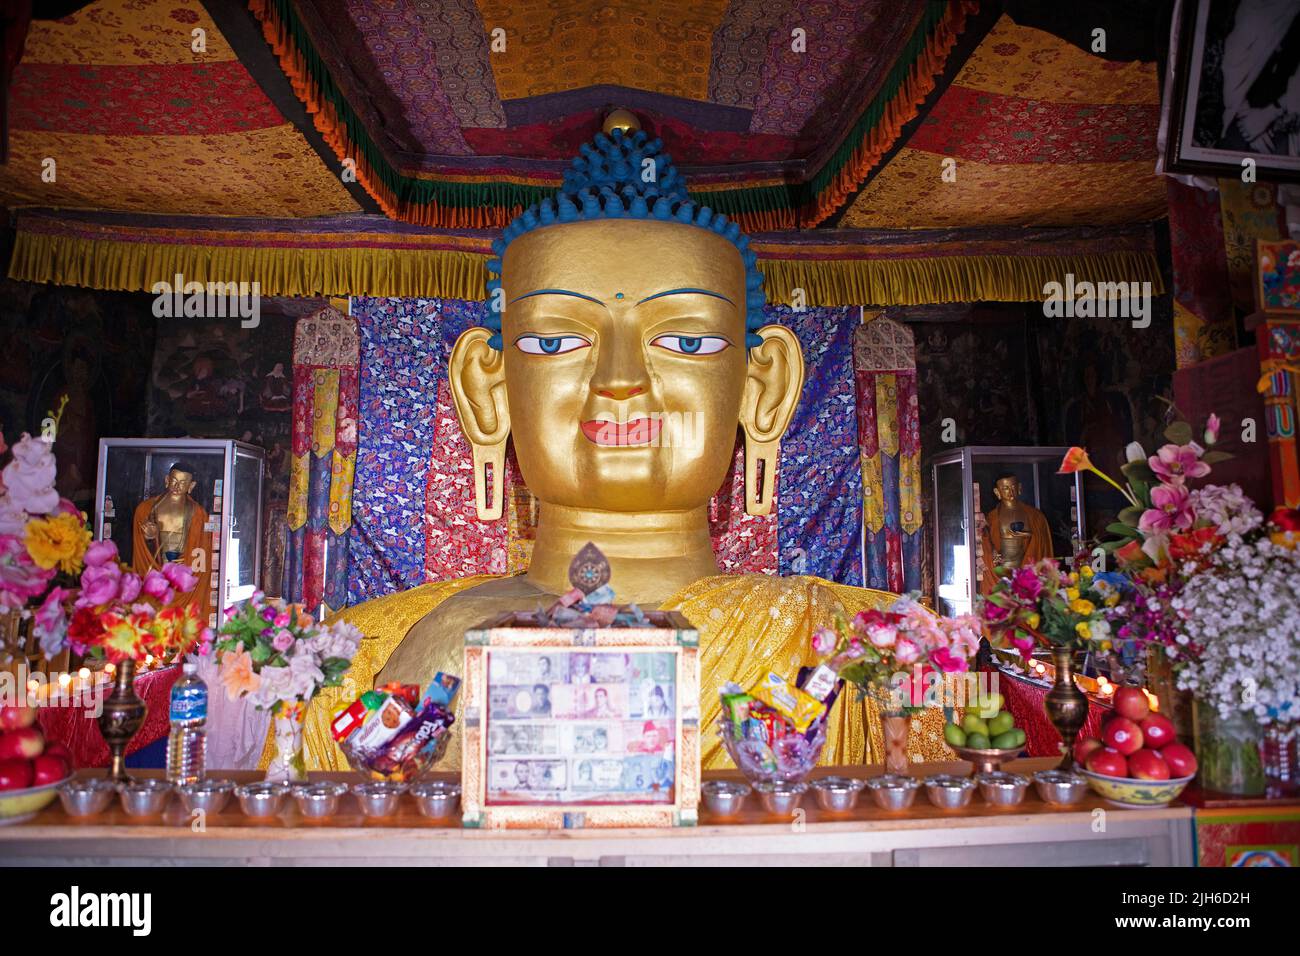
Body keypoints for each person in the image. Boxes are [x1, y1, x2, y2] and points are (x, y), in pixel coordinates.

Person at [286, 116, 950, 775]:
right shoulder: (356, 657)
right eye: (555, 341)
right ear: (487, 392)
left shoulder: (860, 647)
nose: (622, 379)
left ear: (762, 390)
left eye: (688, 341)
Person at [132, 461, 213, 624]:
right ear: (166, 480)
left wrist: (192, 574)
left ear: (191, 485)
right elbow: (141, 552)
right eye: (174, 480)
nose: (177, 486)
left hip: (185, 574)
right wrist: (150, 538)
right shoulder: (146, 509)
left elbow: (203, 552)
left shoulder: (198, 514)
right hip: (156, 573)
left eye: (183, 483)